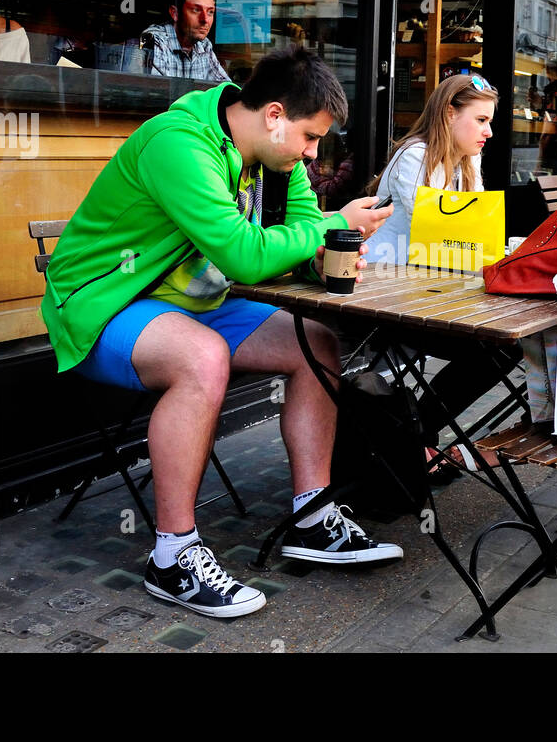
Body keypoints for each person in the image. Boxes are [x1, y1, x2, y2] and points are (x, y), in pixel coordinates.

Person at [41, 46, 401, 619]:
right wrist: (336, 225)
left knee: (316, 342)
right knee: (203, 359)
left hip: (193, 303)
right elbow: (245, 256)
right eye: (309, 137)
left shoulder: (277, 160)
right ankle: (173, 557)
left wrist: (325, 250)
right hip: (107, 304)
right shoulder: (178, 143)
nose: (313, 153)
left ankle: (312, 517)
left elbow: (302, 235)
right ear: (274, 115)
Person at [365, 74, 517, 475]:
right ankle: (412, 439)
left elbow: (475, 234)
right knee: (496, 348)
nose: (489, 131)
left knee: (502, 347)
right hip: (384, 293)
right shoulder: (416, 155)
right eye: (481, 120)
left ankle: (414, 434)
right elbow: (446, 232)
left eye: (489, 121)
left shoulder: (466, 159)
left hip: (430, 289)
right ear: (450, 114)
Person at [139, 0, 231, 82]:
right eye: (196, 10)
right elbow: (160, 92)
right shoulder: (157, 40)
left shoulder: (204, 45)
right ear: (175, 14)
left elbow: (225, 86)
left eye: (210, 12)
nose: (205, 20)